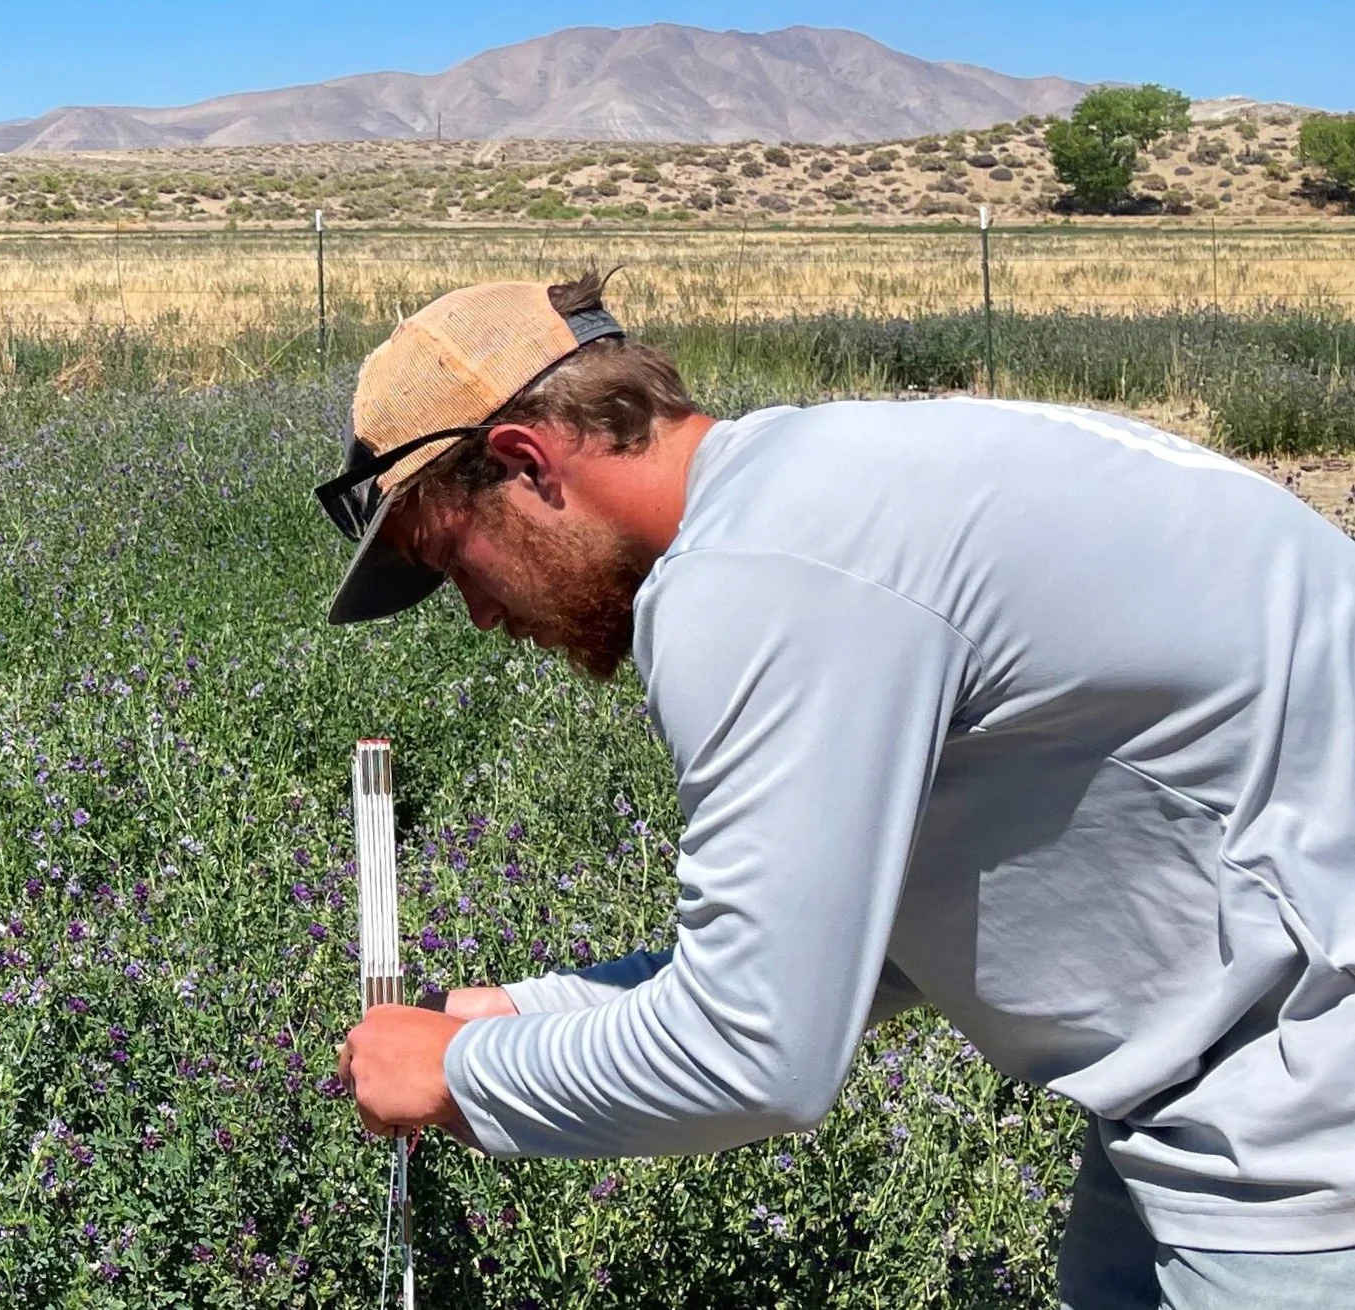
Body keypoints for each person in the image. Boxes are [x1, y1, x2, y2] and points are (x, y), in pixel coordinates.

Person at [322, 272, 1355, 1306]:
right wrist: (526, 1013)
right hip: (1231, 1060)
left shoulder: (762, 575)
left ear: (524, 462)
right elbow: (877, 937)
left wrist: (458, 1076)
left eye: (456, 561)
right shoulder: (825, 489)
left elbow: (754, 1053)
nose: (484, 618)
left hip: (1297, 1105)